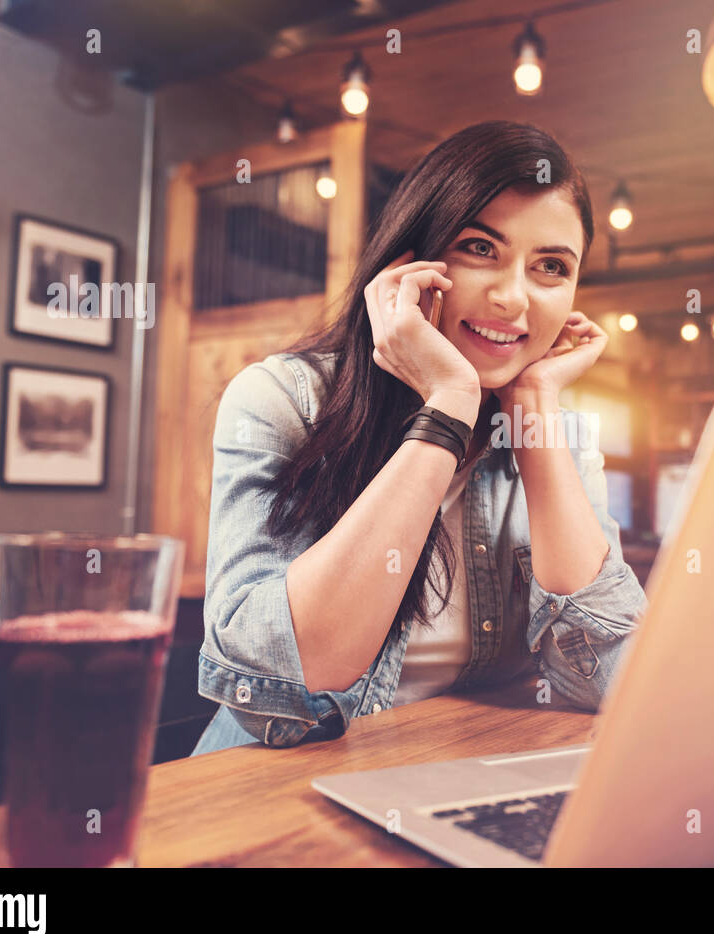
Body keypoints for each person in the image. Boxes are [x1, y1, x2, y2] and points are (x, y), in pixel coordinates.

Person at [191, 120, 648, 754]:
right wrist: (448, 407)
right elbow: (278, 689)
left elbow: (613, 682)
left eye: (550, 266)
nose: (514, 298)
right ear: (409, 263)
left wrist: (536, 407)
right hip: (269, 794)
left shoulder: (559, 437)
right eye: (480, 248)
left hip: (456, 786)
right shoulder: (281, 399)